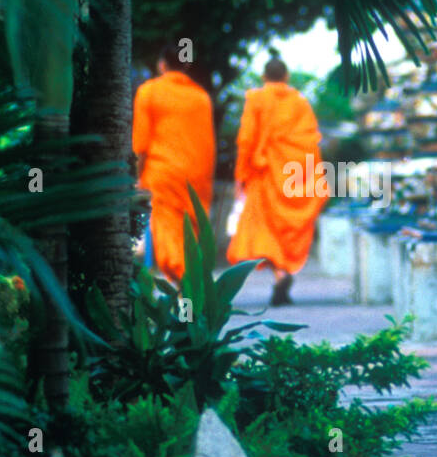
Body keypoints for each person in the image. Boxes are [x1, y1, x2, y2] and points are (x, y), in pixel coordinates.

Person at [227, 56, 328, 305]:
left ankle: (280, 272)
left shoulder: (257, 99)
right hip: (293, 175)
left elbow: (246, 139)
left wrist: (240, 175)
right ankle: (282, 273)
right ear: (286, 77)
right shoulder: (300, 102)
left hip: (265, 176)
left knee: (265, 230)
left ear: (264, 77)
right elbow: (310, 142)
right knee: (284, 229)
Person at [132, 43, 216, 282]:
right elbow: (208, 142)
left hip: (164, 174)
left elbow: (140, 142)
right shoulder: (201, 97)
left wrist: (137, 176)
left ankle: (183, 283)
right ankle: (185, 293)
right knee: (189, 233)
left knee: (168, 235)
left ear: (161, 64)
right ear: (187, 65)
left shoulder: (149, 92)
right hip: (196, 175)